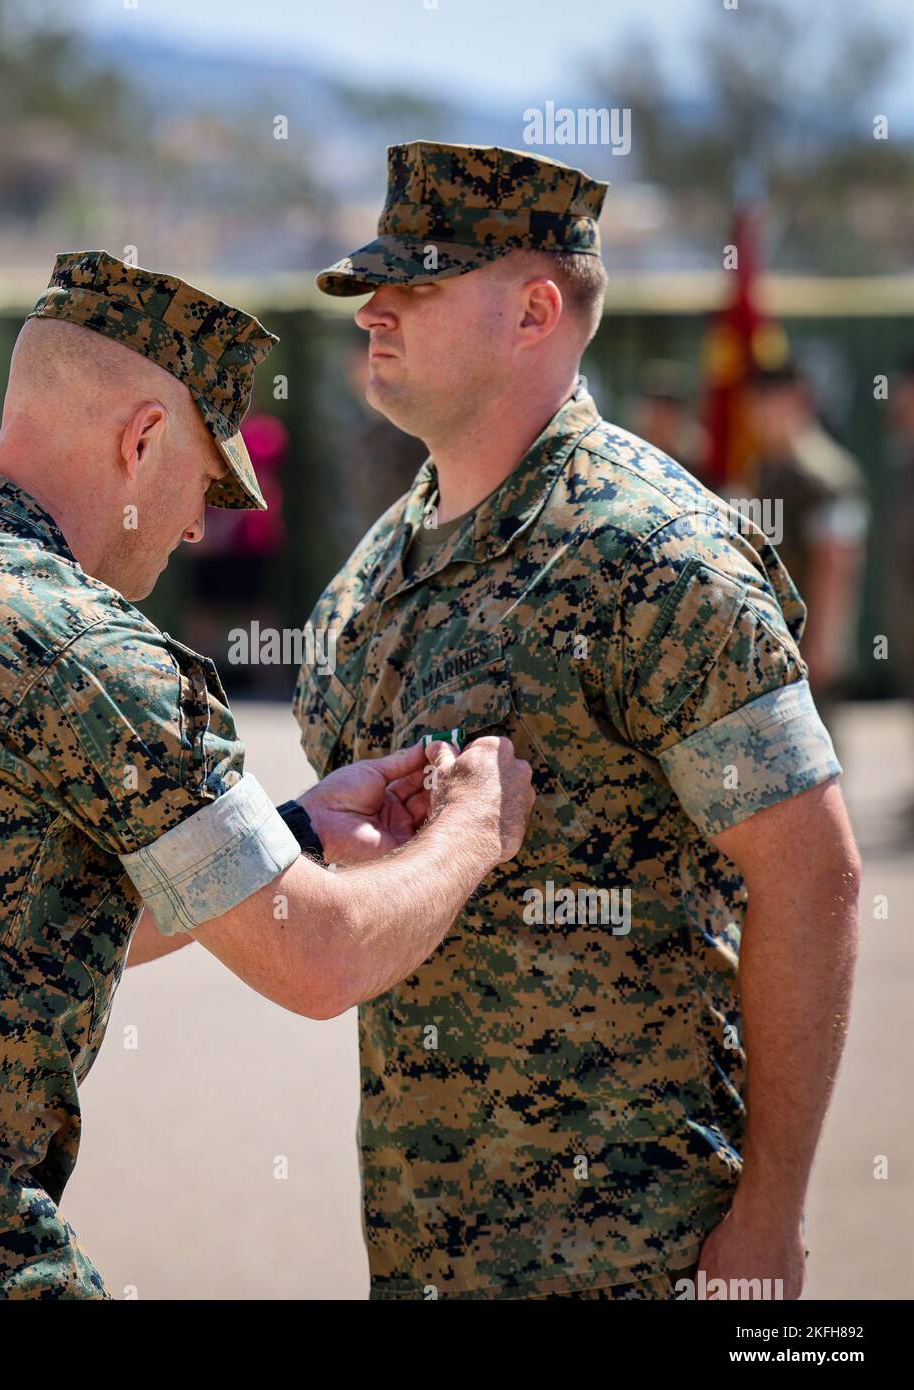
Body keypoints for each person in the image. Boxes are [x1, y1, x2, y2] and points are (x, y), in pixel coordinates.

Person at [0, 250, 534, 1299]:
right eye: (205, 484)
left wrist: (292, 831)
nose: (202, 524)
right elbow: (319, 961)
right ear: (143, 439)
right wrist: (472, 828)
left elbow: (6, 916)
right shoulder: (92, 653)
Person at [295, 142, 862, 1300]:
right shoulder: (369, 579)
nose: (375, 316)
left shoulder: (653, 558)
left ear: (534, 311)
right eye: (371, 291)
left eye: (415, 286)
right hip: (422, 1244)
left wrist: (769, 1215)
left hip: (638, 1246)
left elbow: (813, 878)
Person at [748, 360, 869, 735]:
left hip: (807, 645)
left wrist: (825, 642)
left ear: (797, 400)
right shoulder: (768, 468)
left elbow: (836, 561)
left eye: (768, 401)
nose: (757, 414)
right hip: (776, 645)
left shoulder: (824, 475)